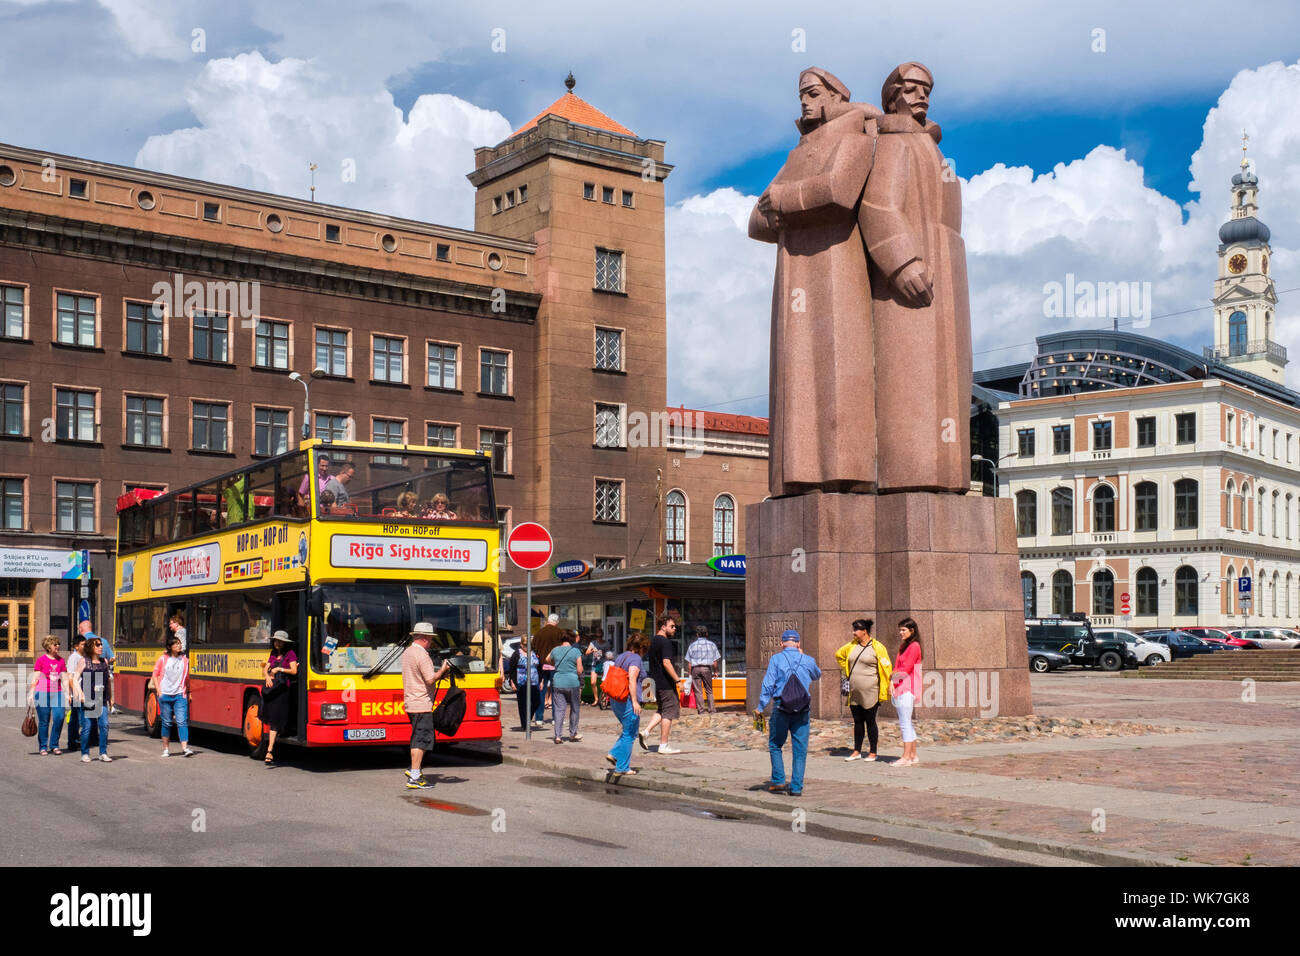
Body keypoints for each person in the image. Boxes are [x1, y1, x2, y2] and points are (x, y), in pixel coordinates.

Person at [755, 628, 821, 796]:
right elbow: (817, 674)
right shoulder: (807, 659)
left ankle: (778, 781)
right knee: (800, 748)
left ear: (781, 643)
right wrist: (803, 656)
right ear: (798, 643)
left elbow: (768, 684)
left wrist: (761, 706)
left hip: (781, 706)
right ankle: (796, 787)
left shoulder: (776, 659)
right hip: (802, 708)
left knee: (775, 744)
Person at [402, 621, 452, 789]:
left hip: (411, 701)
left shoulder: (408, 652)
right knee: (421, 740)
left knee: (417, 736)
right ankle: (414, 777)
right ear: (424, 638)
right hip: (421, 703)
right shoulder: (422, 655)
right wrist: (443, 670)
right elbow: (430, 679)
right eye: (430, 639)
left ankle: (413, 770)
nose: (431, 642)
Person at [835, 619, 890, 762]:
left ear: (864, 631)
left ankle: (873, 751)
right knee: (857, 721)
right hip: (855, 691)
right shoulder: (851, 646)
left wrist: (886, 685)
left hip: (871, 690)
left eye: (856, 630)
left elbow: (886, 666)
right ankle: (857, 750)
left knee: (870, 721)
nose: (853, 632)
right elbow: (839, 655)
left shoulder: (878, 647)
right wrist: (846, 668)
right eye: (853, 629)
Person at [638, 615, 685, 754]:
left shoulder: (653, 641)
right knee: (668, 713)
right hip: (665, 683)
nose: (675, 628)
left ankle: (646, 732)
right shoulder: (665, 642)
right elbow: (666, 663)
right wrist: (678, 680)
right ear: (663, 627)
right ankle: (663, 745)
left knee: (662, 709)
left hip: (655, 682)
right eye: (672, 626)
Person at [606, 633, 648, 776]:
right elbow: (632, 678)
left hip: (616, 698)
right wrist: (635, 701)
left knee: (628, 731)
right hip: (628, 700)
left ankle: (615, 754)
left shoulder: (621, 657)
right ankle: (622, 767)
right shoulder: (636, 659)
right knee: (630, 733)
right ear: (642, 647)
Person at [151, 633, 193, 757]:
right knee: (167, 722)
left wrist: (189, 692)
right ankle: (165, 748)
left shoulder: (185, 660)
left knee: (182, 721)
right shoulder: (163, 659)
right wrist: (159, 691)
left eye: (179, 643)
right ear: (170, 647)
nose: (179, 646)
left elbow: (187, 678)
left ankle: (185, 748)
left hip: (180, 695)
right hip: (165, 695)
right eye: (176, 644)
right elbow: (154, 675)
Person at [73, 634, 113, 763]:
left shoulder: (104, 662)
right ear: (91, 647)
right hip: (88, 697)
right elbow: (74, 679)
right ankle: (85, 753)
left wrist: (111, 697)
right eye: (98, 645)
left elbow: (107, 681)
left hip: (101, 697)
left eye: (101, 645)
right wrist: (81, 694)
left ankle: (103, 752)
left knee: (104, 725)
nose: (101, 647)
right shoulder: (84, 661)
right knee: (87, 726)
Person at [890, 617, 923, 767]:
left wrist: (892, 679)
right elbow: (897, 667)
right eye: (900, 630)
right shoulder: (904, 646)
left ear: (912, 630)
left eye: (903, 630)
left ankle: (905, 757)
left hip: (907, 688)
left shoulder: (914, 646)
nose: (900, 632)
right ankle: (913, 755)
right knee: (907, 723)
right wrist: (893, 680)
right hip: (901, 687)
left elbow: (905, 669)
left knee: (904, 724)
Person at [261, 630, 298, 764]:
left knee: (275, 722)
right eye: (276, 641)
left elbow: (294, 671)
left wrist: (279, 669)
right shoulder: (273, 653)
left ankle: (269, 751)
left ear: (285, 642)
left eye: (280, 641)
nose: (277, 643)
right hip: (272, 690)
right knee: (272, 721)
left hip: (282, 691)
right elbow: (266, 667)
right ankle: (270, 749)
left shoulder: (291, 654)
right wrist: (267, 676)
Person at [28, 636, 67, 755]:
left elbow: (65, 678)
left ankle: (54, 744)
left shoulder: (61, 660)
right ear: (48, 647)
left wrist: (68, 693)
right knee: (44, 721)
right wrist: (31, 693)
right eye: (55, 644)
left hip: (58, 692)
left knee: (59, 718)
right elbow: (35, 677)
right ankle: (43, 746)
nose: (58, 646)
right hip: (42, 693)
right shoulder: (41, 660)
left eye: (58, 644)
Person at [547, 631, 584, 743]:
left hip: (558, 682)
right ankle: (572, 734)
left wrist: (555, 665)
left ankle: (558, 736)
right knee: (575, 708)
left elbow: (547, 659)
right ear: (572, 639)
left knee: (559, 710)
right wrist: (574, 674)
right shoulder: (576, 651)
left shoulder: (555, 650)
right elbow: (579, 670)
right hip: (572, 683)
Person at [533, 613, 564, 722]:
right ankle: (556, 718)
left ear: (548, 621)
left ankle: (539, 718)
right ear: (557, 622)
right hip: (555, 666)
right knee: (556, 692)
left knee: (541, 691)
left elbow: (533, 648)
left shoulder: (539, 633)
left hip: (541, 666)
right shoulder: (559, 633)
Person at [684, 624, 722, 714]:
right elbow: (715, 661)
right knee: (709, 690)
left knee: (698, 691)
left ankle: (701, 710)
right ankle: (711, 710)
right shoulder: (712, 645)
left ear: (697, 635)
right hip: (706, 669)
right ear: (706, 634)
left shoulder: (692, 645)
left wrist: (690, 674)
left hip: (695, 669)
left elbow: (689, 662)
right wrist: (716, 671)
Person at [510, 638, 542, 731]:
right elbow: (512, 669)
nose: (527, 646)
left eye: (529, 644)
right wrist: (512, 682)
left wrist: (541, 681)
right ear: (521, 644)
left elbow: (539, 668)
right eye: (525, 644)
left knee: (537, 702)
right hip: (521, 682)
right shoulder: (517, 654)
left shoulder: (534, 653)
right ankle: (524, 724)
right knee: (523, 704)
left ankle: (528, 718)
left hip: (534, 681)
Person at [64, 634, 86, 752]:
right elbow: (70, 676)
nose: (85, 645)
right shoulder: (74, 657)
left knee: (80, 718)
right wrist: (74, 693)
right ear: (76, 646)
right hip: (77, 693)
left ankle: (78, 740)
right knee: (76, 719)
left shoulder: (84, 656)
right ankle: (73, 742)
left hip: (84, 692)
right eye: (83, 644)